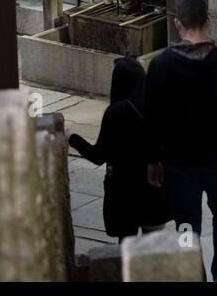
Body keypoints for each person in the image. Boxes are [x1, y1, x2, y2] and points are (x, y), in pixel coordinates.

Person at [144, 0, 217, 282]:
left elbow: (152, 121)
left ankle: (193, 276)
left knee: (185, 225)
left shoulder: (160, 66)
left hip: (178, 163)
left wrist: (153, 159)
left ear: (177, 24)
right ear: (208, 22)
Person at [68, 57, 169, 240]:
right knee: (154, 249)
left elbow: (98, 155)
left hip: (124, 193)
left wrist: (71, 138)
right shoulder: (159, 105)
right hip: (154, 190)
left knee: (125, 252)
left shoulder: (116, 112)